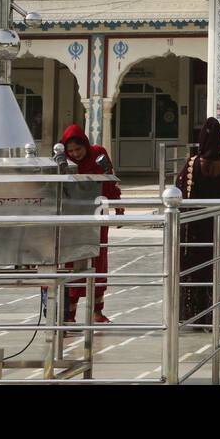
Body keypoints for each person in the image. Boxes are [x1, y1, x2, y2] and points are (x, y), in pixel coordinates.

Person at [176, 118, 220, 326]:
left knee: (199, 267)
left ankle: (197, 315)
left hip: (198, 225)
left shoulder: (192, 164)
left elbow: (179, 189)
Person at [58, 124, 123, 324]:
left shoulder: (98, 155)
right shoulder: (62, 162)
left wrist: (118, 206)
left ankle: (97, 312)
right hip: (73, 219)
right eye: (71, 151)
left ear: (85, 145)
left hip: (97, 216)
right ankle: (70, 315)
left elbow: (110, 181)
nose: (75, 154)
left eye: (78, 149)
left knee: (98, 261)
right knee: (73, 263)